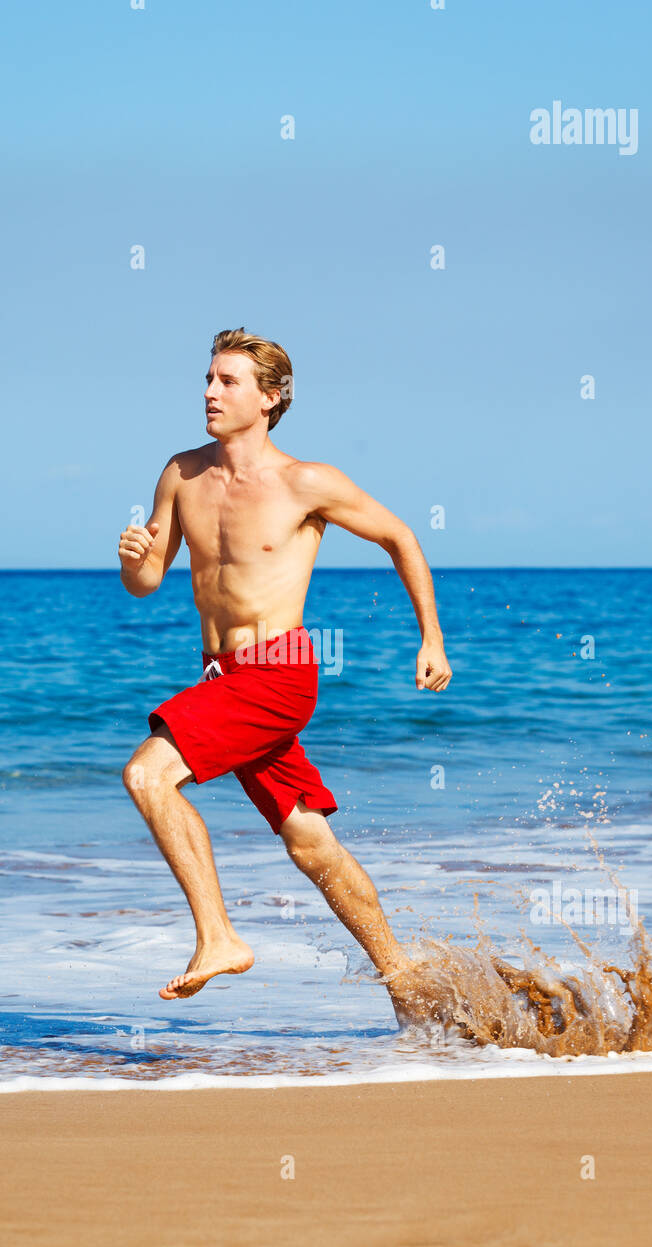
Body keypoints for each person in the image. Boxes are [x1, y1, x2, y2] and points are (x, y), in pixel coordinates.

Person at [119, 328, 451, 1017]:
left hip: (278, 672)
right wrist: (133, 559)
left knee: (148, 774)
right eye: (207, 379)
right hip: (222, 678)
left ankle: (218, 936)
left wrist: (431, 640)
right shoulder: (181, 474)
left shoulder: (307, 482)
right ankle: (409, 987)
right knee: (309, 840)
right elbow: (148, 581)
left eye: (228, 382)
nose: (210, 392)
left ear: (269, 398)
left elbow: (401, 537)